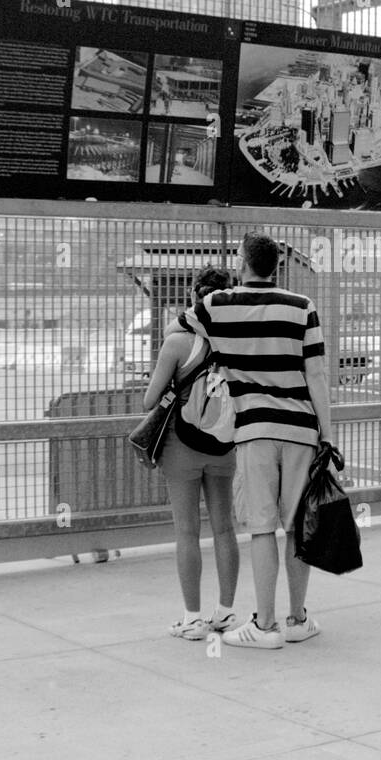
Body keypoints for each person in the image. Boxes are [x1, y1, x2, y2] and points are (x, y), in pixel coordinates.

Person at [177, 232, 332, 649]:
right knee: (298, 526)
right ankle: (297, 620)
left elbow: (182, 330)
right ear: (278, 266)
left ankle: (264, 627)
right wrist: (327, 436)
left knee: (262, 528)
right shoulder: (303, 307)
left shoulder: (215, 305)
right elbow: (316, 376)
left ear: (242, 261)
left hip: (255, 432)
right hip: (302, 429)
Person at [142, 267, 239, 640]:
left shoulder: (177, 342)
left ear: (192, 297)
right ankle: (226, 614)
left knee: (187, 531)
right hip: (224, 444)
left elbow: (151, 399)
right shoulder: (236, 343)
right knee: (225, 527)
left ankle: (192, 620)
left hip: (181, 447)